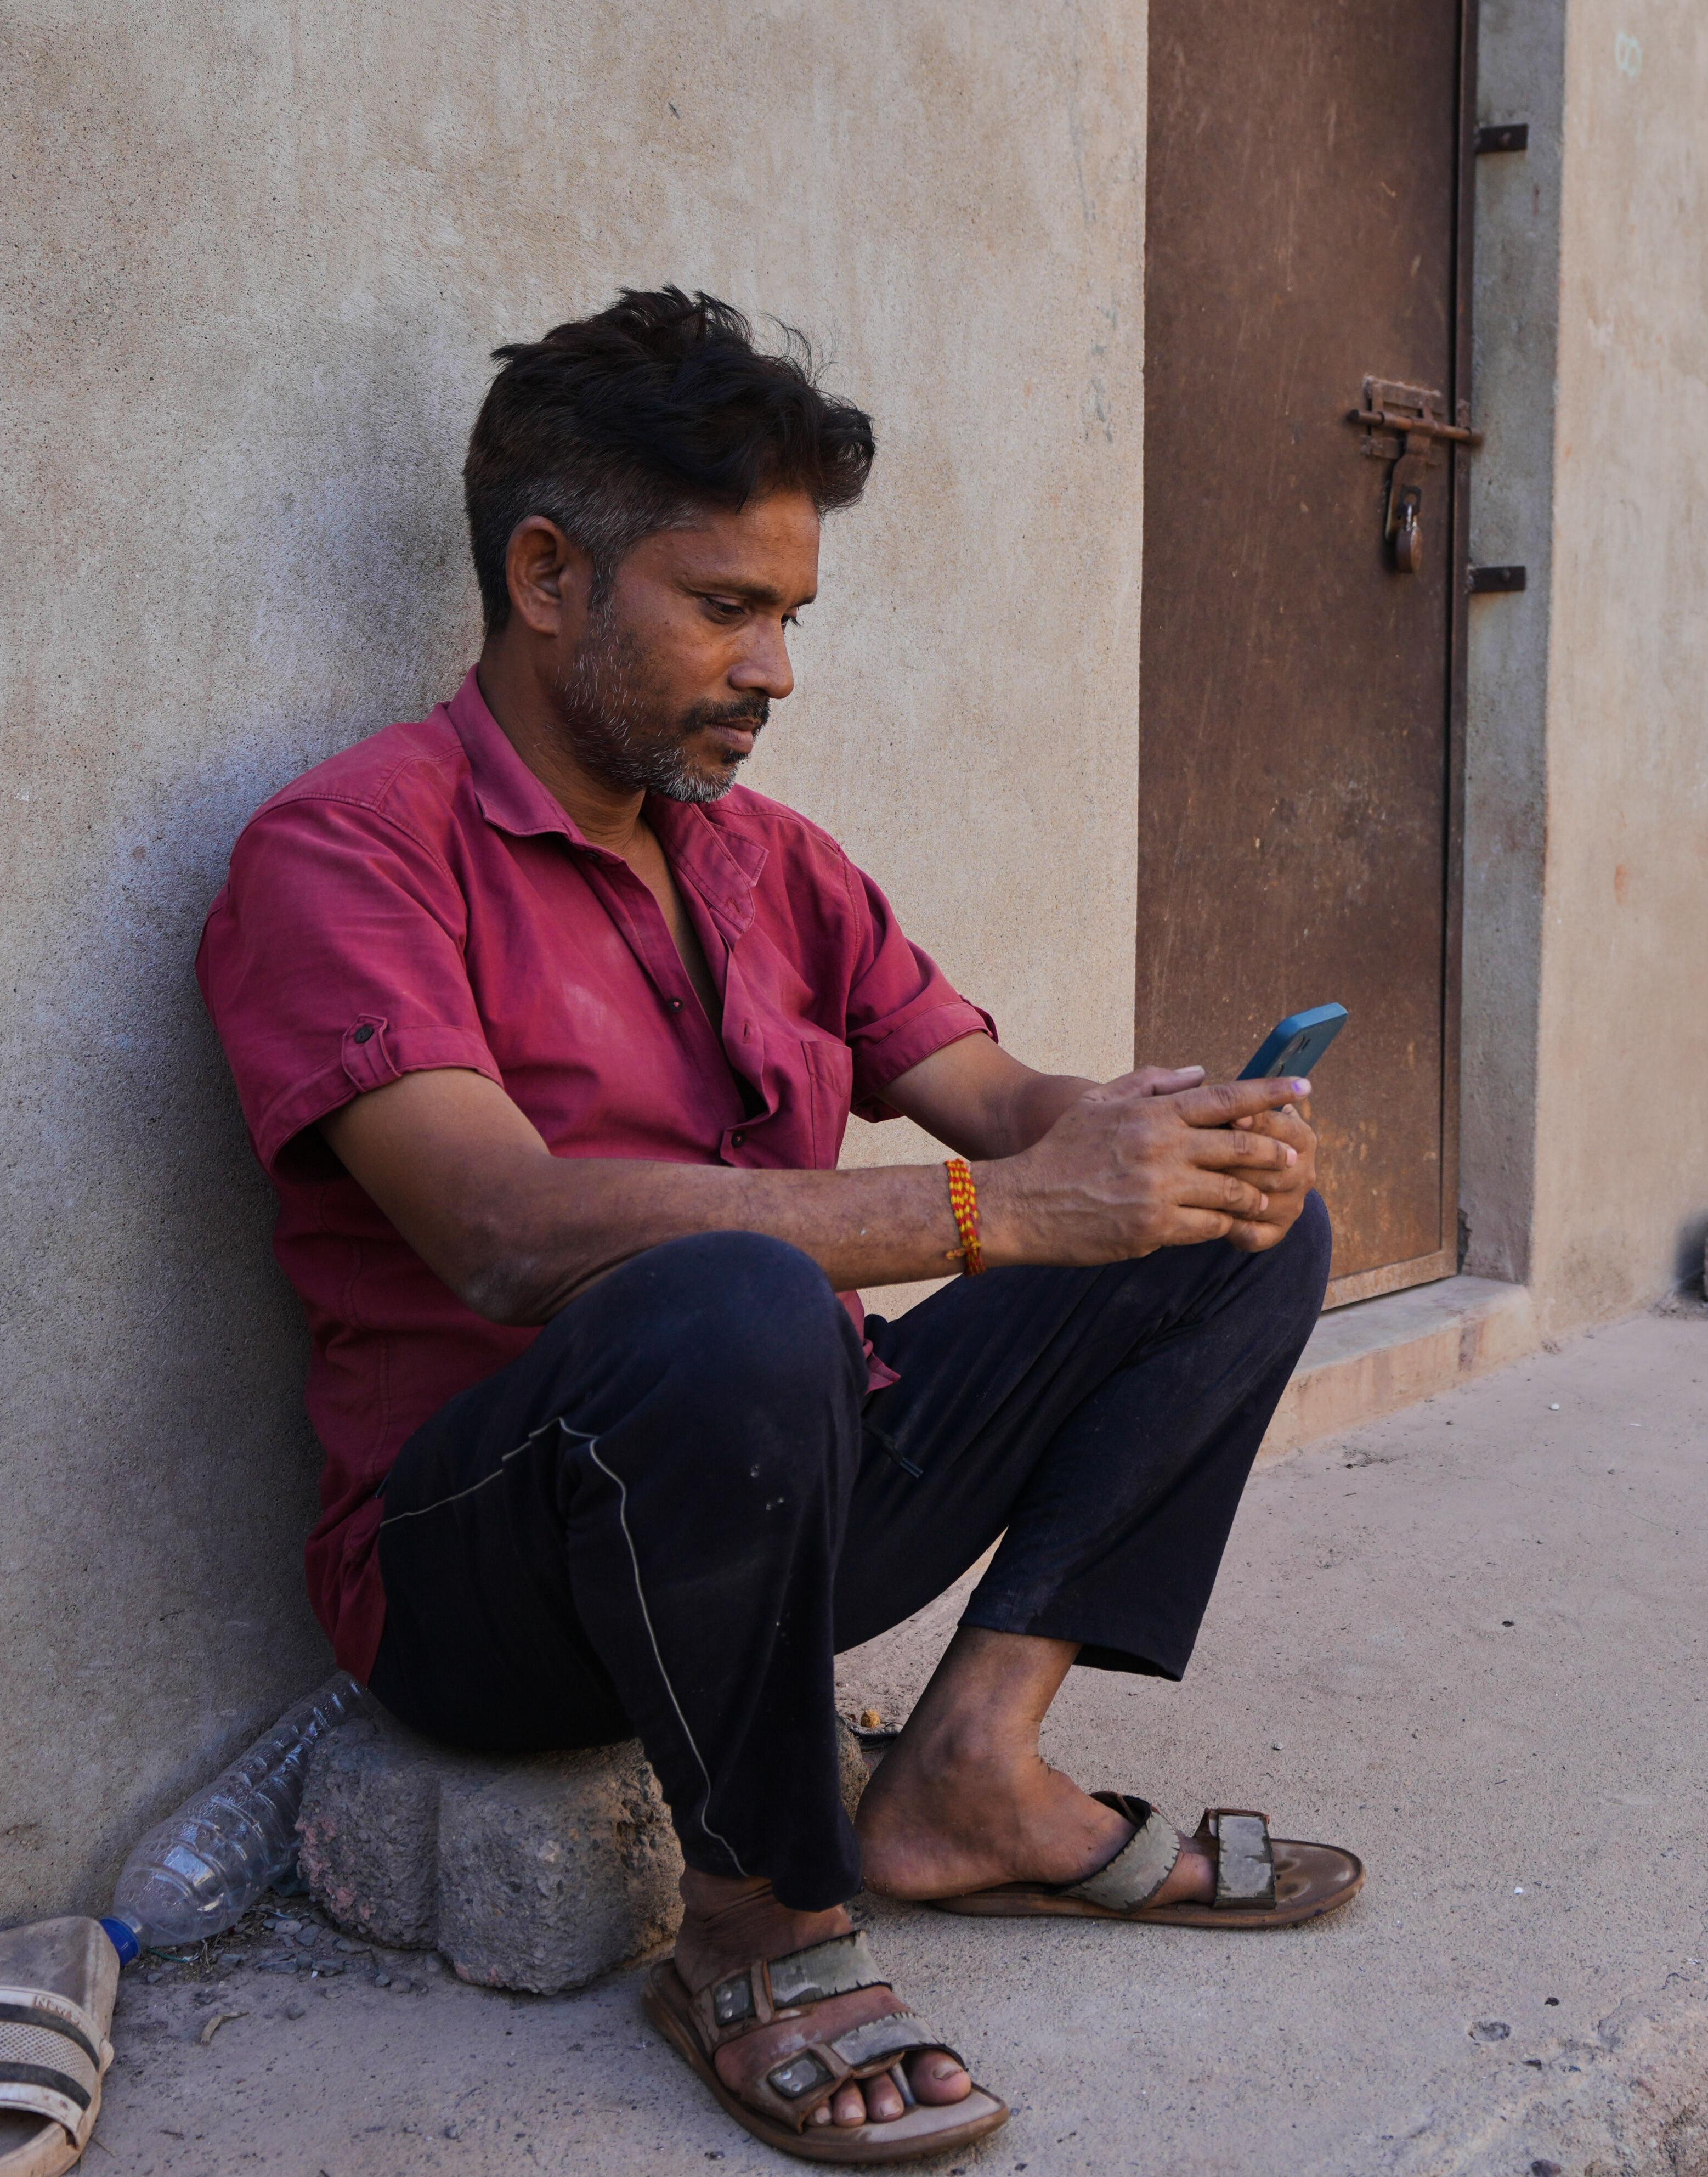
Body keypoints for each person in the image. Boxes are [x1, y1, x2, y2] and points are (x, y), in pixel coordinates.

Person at [196, 289, 1358, 2164]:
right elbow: (497, 1230)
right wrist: (998, 1212)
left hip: (791, 1496)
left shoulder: (772, 861)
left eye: (791, 617)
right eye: (727, 610)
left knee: (1231, 1234)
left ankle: (966, 1774)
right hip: (489, 1581)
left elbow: (997, 1101)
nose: (777, 671)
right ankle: (753, 1928)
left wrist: (1165, 1135)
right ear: (552, 574)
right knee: (726, 1298)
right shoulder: (347, 853)